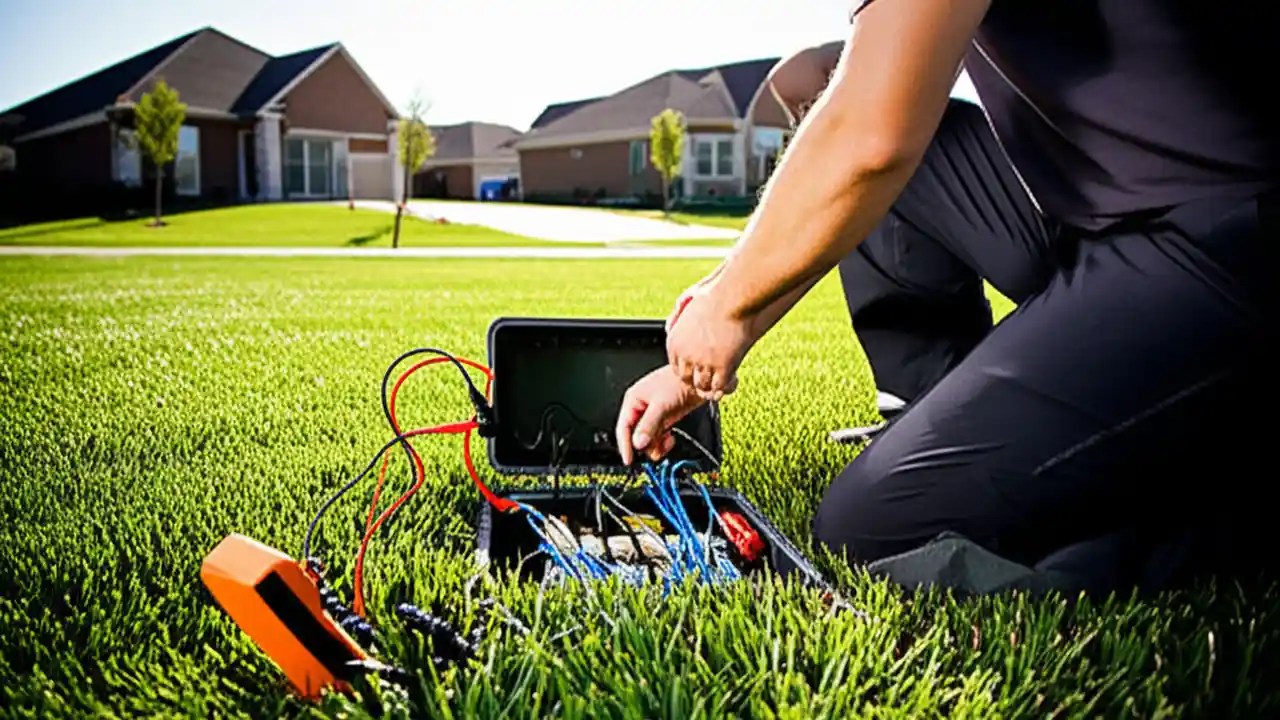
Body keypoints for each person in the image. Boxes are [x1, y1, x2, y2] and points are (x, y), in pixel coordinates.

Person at [614, 0, 1278, 593]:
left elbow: (871, 137)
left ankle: (1210, 499)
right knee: (892, 132)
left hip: (1227, 238)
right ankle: (931, 416)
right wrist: (727, 306)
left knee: (880, 526)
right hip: (1108, 209)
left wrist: (727, 311)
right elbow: (853, 104)